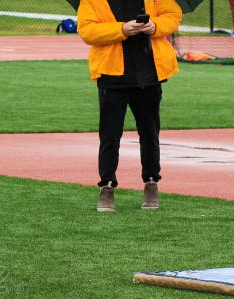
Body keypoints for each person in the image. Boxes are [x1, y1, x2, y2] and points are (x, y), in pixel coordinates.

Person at [77, 0, 182, 212]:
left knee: (150, 132)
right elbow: (87, 30)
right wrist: (122, 29)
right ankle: (106, 186)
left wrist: (156, 26)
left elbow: (172, 14)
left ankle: (151, 182)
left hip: (149, 73)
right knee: (109, 135)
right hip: (111, 75)